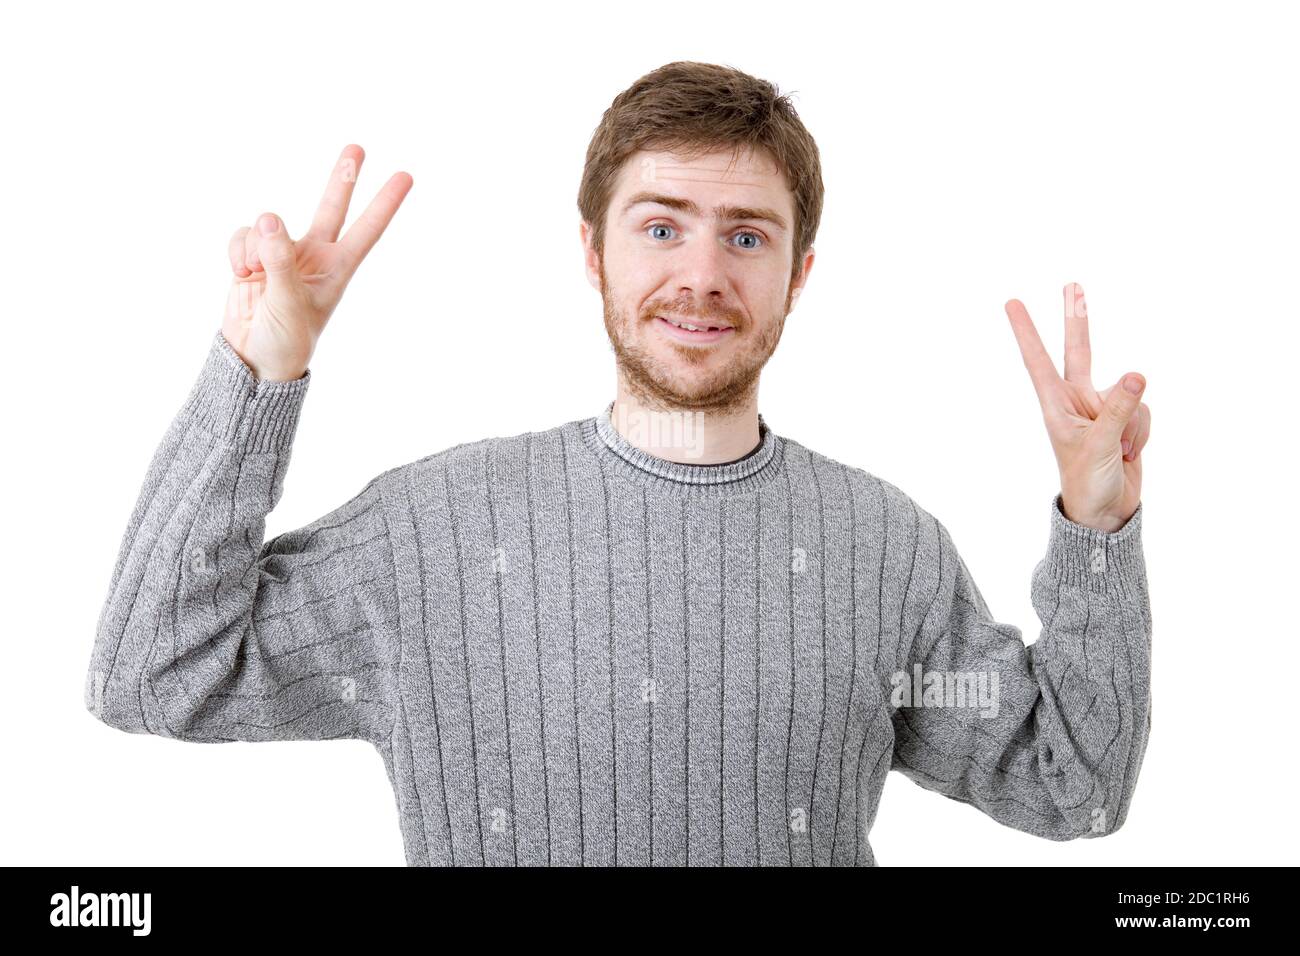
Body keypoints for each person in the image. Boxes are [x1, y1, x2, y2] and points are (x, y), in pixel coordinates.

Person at [85, 61, 1152, 866]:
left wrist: (1095, 533)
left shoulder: (884, 550)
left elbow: (1074, 785)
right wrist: (255, 372)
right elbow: (152, 673)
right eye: (660, 227)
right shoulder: (431, 532)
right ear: (592, 252)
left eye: (746, 237)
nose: (699, 275)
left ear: (798, 275)